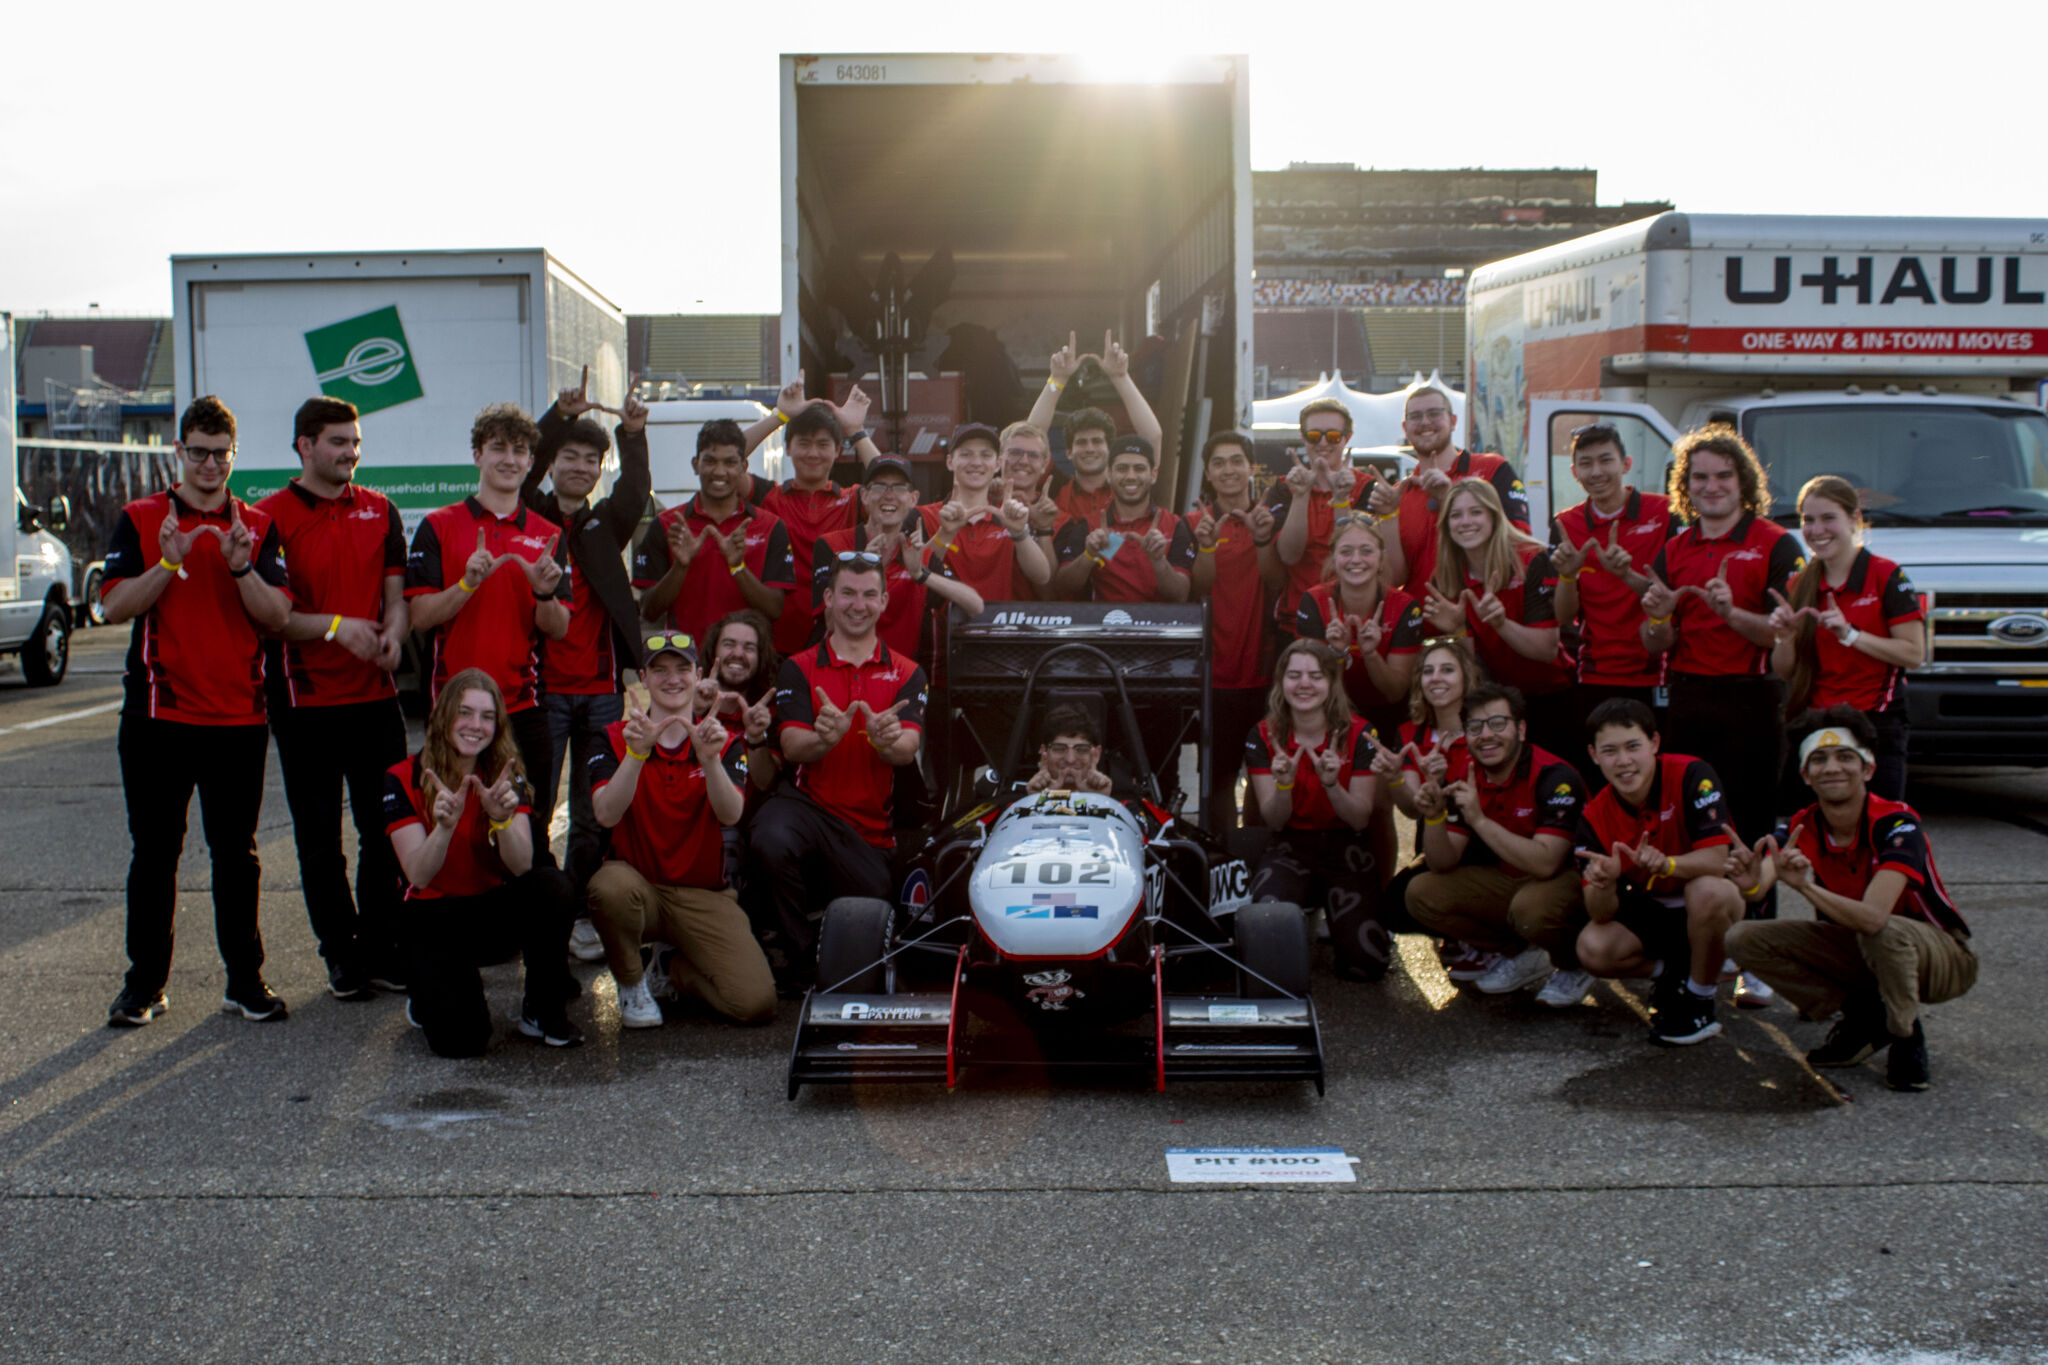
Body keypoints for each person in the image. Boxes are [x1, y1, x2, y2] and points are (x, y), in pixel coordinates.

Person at [101, 395, 295, 1027]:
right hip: (158, 716)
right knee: (155, 853)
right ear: (178, 451)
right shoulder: (140, 517)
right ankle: (144, 984)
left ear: (234, 456)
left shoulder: (257, 526)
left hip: (237, 718)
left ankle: (246, 980)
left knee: (235, 854)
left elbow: (278, 617)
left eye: (221, 454)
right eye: (198, 453)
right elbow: (114, 607)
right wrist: (168, 562)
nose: (209, 465)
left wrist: (240, 567)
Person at [1727, 708, 1976, 1091]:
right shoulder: (1803, 824)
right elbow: (1759, 887)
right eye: (1819, 759)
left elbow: (1875, 918)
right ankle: (1865, 1017)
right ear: (1805, 775)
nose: (1832, 768)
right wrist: (1747, 883)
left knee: (1883, 931)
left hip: (1941, 956)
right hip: (1868, 948)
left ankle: (1906, 1036)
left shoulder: (1896, 823)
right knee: (1743, 938)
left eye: (1846, 757)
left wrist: (1807, 887)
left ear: (1869, 770)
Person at [257, 396, 411, 1000]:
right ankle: (341, 957)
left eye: (356, 443)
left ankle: (379, 948)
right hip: (305, 702)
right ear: (304, 445)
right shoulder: (267, 516)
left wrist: (393, 634)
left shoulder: (382, 510)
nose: (350, 453)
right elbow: (272, 617)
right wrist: (335, 627)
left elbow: (395, 597)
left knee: (388, 831)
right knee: (321, 842)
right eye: (338, 442)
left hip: (374, 699)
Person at [1640, 425, 1803, 970]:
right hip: (1688, 696)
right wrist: (1659, 615)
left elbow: (1788, 637)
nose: (1712, 487)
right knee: (1697, 825)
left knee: (1754, 826)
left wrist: (1732, 613)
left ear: (1743, 481)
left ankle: (1758, 952)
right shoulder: (1676, 547)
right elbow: (1655, 642)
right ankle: (1708, 937)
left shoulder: (1775, 543)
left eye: (1723, 476)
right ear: (1687, 486)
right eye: (1700, 477)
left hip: (1753, 698)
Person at [747, 555, 929, 984]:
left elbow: (907, 750)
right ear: (828, 598)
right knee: (771, 835)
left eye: (869, 594)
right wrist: (823, 739)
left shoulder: (907, 671)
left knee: (876, 910)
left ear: (884, 601)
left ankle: (825, 936)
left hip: (870, 832)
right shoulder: (800, 665)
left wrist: (885, 741)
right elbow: (791, 746)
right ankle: (800, 958)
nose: (857, 604)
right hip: (810, 808)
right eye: (847, 592)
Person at [405, 403, 571, 870]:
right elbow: (419, 617)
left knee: (529, 829)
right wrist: (466, 585)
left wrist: (543, 595)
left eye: (520, 451)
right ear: (477, 454)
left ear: (530, 462)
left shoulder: (548, 535)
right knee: (456, 825)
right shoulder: (439, 525)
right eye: (498, 447)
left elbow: (558, 628)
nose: (509, 459)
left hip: (521, 708)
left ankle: (528, 933)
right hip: (452, 711)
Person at [383, 668, 580, 1054]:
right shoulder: (402, 776)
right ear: (443, 716)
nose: (476, 725)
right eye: (465, 713)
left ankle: (541, 1008)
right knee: (462, 1044)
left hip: (487, 909)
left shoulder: (505, 775)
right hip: (432, 916)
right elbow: (418, 875)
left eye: (487, 717)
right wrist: (443, 827)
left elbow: (523, 865)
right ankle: (426, 991)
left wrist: (502, 819)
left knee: (552, 887)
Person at [523, 381, 652, 961]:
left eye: (590, 459)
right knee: (535, 801)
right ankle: (532, 902)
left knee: (591, 812)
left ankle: (576, 909)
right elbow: (521, 477)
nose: (580, 466)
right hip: (542, 690)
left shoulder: (605, 525)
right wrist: (559, 417)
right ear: (552, 464)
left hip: (601, 690)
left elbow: (635, 489)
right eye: (569, 456)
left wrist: (632, 434)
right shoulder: (530, 515)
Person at [585, 634, 776, 1028]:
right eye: (659, 670)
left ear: (700, 675)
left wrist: (709, 761)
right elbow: (605, 814)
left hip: (702, 893)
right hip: (638, 887)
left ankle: (670, 968)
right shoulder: (613, 737)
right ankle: (632, 982)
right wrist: (636, 754)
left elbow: (731, 814)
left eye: (682, 669)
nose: (672, 679)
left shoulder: (723, 741)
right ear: (643, 677)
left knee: (755, 1002)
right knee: (607, 889)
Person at [1571, 698, 1750, 1043]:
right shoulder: (1593, 815)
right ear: (1594, 755)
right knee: (1593, 947)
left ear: (1654, 743)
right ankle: (1675, 974)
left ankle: (1699, 999)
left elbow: (1717, 859)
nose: (1623, 761)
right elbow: (1599, 913)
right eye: (1609, 751)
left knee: (1708, 890)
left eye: (1633, 747)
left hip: (1711, 904)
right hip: (1654, 909)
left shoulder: (1692, 774)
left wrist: (1668, 864)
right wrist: (1604, 883)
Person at [1405, 683, 1589, 999]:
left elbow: (1546, 864)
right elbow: (1442, 862)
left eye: (1498, 724)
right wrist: (1434, 817)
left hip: (1571, 883)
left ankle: (1574, 961)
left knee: (1531, 910)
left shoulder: (1555, 776)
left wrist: (1478, 819)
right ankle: (1522, 954)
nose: (1486, 734)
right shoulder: (1468, 773)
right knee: (1421, 892)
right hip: (1512, 881)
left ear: (1521, 729)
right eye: (1475, 727)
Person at [1768, 476, 1925, 802]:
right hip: (1818, 723)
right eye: (1808, 520)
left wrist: (1850, 635)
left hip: (1876, 722)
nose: (1817, 529)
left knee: (1879, 828)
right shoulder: (1799, 583)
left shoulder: (1886, 575)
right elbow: (1785, 671)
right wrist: (1784, 638)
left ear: (1854, 520)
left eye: (1828, 518)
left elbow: (1914, 654)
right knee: (1809, 831)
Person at [1243, 640, 1383, 979]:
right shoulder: (1263, 734)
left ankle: (1329, 906)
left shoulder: (1362, 733)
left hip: (1345, 842)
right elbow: (1275, 820)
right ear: (1281, 683)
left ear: (1331, 683)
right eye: (1294, 675)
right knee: (1267, 936)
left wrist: (1332, 784)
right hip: (1291, 842)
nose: (1304, 684)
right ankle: (1304, 904)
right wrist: (1284, 785)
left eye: (1315, 676)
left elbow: (1360, 817)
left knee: (1365, 967)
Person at [1546, 422, 1674, 789]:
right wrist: (1569, 576)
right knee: (1604, 782)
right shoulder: (1565, 524)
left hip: (1657, 672)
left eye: (1606, 460)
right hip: (1596, 674)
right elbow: (1563, 616)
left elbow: (1672, 595)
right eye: (1586, 464)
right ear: (1574, 472)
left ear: (1626, 463)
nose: (1597, 472)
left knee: (1657, 778)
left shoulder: (1664, 513)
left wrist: (1629, 575)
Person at [1418, 480, 1572, 756]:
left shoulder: (1531, 559)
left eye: (1476, 512)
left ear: (1494, 516)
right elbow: (1470, 671)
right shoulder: (1446, 576)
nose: (1466, 522)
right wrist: (1457, 630)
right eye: (1456, 515)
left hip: (1551, 694)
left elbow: (1547, 650)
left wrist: (1501, 624)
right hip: (1494, 701)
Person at [1367, 637, 1482, 975]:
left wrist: (1447, 782)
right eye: (1428, 671)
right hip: (1437, 842)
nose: (1437, 678)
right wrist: (1396, 779)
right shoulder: (1410, 733)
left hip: (1483, 844)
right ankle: (1459, 931)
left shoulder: (1482, 731)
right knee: (1394, 906)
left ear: (1466, 678)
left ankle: (1491, 942)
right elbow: (1411, 809)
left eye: (1448, 669)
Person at [1188, 430, 1285, 827]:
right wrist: (1207, 546)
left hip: (1265, 670)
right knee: (1220, 776)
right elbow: (1197, 587)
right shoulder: (1193, 523)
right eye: (1219, 463)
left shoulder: (1271, 521)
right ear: (1208, 474)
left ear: (1250, 468)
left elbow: (1279, 581)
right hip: (1215, 673)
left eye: (1236, 461)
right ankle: (1225, 865)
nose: (1228, 470)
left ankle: (1258, 858)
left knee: (1267, 774)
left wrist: (1263, 540)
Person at [633, 418, 796, 641]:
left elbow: (774, 609)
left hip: (746, 663)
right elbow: (649, 611)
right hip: (686, 665)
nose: (719, 472)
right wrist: (680, 566)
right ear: (695, 464)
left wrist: (737, 567)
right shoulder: (667, 524)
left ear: (743, 467)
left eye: (730, 463)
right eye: (710, 461)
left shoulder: (770, 526)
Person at [813, 455, 985, 664]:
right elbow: (829, 623)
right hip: (843, 671)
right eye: (879, 486)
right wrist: (863, 569)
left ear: (913, 499)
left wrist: (921, 574)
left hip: (902, 678)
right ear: (865, 496)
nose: (889, 495)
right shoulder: (831, 546)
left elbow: (975, 605)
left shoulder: (919, 554)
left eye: (899, 487)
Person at [1370, 384, 1531, 596]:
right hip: (1422, 623)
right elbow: (1396, 579)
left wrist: (1449, 498)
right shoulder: (1398, 495)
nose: (1425, 422)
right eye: (1416, 416)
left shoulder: (1493, 469)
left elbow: (1521, 547)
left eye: (1434, 414)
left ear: (1453, 421)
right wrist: (1389, 516)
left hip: (1484, 618)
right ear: (1405, 428)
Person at [1295, 513, 1424, 738]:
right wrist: (1336, 653)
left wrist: (1371, 654)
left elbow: (1395, 693)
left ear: (1381, 558)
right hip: (1330, 712)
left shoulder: (1404, 605)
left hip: (1389, 715)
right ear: (1334, 558)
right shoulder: (1313, 601)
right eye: (1346, 552)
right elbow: (1308, 686)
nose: (1356, 560)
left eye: (1366, 551)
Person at [1025, 330, 1165, 523]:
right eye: (1081, 442)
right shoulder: (1055, 487)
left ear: (1110, 449)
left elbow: (1153, 437)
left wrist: (1120, 377)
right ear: (1068, 451)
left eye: (1097, 441)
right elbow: (1030, 438)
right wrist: (1057, 380)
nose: (1089, 448)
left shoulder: (1128, 484)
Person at [1271, 397, 1379, 621]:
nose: (1322, 443)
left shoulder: (1366, 487)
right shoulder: (1284, 487)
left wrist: (1340, 498)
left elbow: (1355, 552)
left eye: (1332, 436)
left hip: (1353, 615)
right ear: (1303, 437)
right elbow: (1289, 556)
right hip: (1297, 616)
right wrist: (1301, 495)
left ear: (1346, 438)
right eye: (1313, 436)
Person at [1050, 435, 1194, 603]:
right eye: (1122, 468)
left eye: (1139, 468)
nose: (1131, 476)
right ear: (1109, 474)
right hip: (1102, 626)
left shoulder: (1175, 525)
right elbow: (1062, 587)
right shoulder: (1088, 525)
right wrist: (1089, 556)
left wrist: (1158, 561)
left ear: (1153, 475)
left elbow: (1181, 595)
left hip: (1156, 626)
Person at [918, 423, 1052, 603]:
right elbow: (914, 575)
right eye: (966, 454)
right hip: (943, 629)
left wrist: (1020, 533)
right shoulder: (923, 515)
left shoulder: (1007, 515)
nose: (976, 463)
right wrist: (945, 533)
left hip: (998, 628)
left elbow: (1042, 576)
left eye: (986, 455)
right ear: (950, 462)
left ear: (997, 464)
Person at [700, 609, 783, 799]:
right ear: (714, 650)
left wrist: (755, 737)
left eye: (749, 648)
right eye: (729, 644)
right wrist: (693, 711)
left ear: (760, 658)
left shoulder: (768, 713)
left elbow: (765, 783)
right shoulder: (686, 701)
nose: (738, 654)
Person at [1024, 705, 1114, 794]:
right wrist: (1035, 799)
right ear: (1044, 752)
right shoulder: (1018, 805)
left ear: (1096, 755)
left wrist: (1100, 799)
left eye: (1081, 750)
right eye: (1059, 749)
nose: (1070, 759)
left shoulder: (1117, 805)